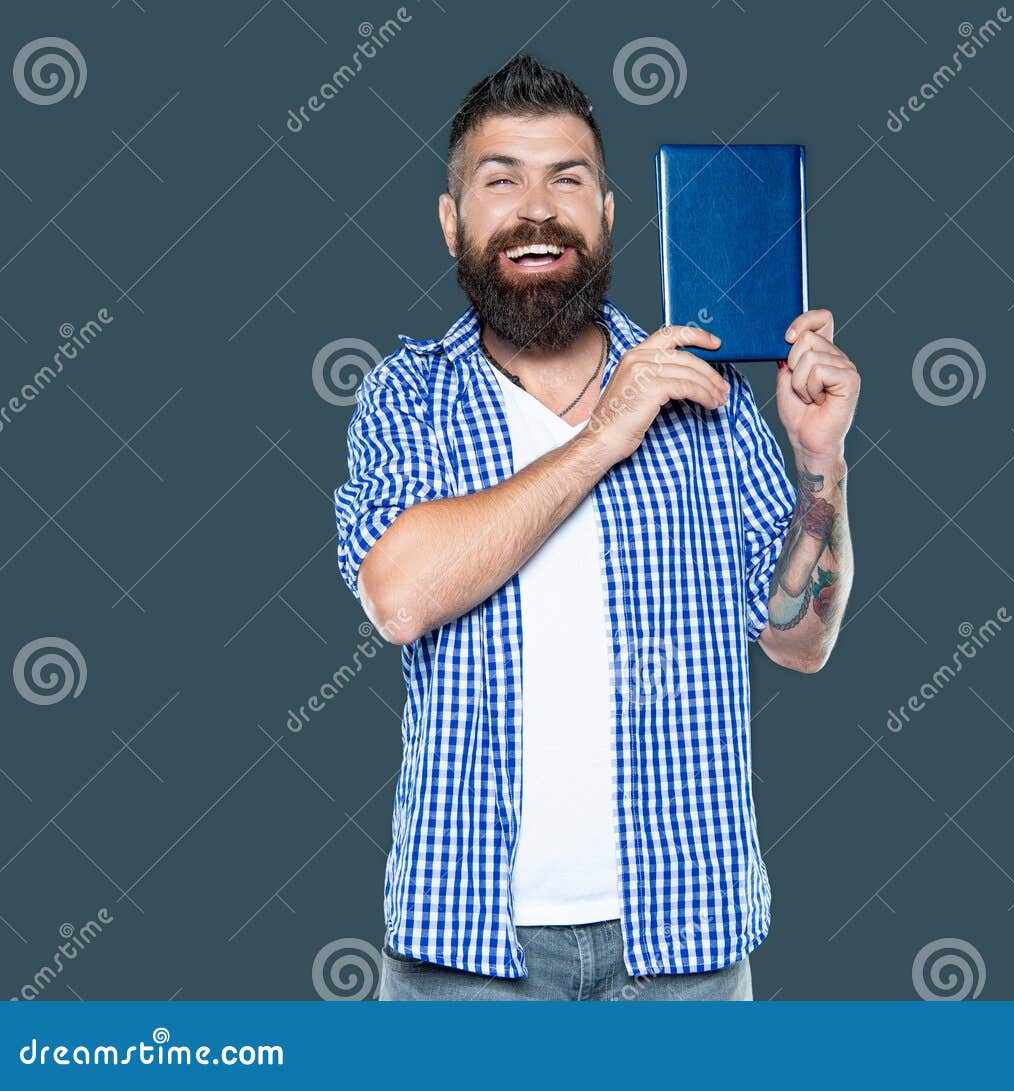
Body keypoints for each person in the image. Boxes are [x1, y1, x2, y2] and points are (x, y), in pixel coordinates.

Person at [333, 55, 859, 1000]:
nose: (538, 210)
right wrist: (605, 434)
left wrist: (818, 459)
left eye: (567, 179)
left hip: (688, 948)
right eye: (502, 181)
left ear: (609, 213)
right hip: (462, 952)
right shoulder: (406, 395)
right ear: (454, 222)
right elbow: (401, 597)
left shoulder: (706, 398)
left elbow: (799, 639)